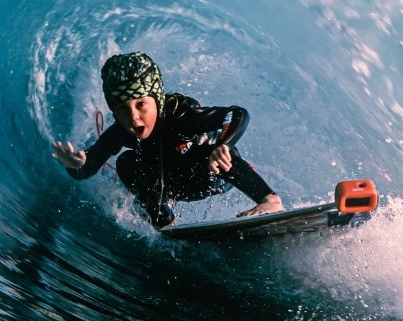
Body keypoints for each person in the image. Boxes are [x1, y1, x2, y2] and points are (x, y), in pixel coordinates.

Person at [51, 52, 283, 227]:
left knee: (209, 151)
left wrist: (223, 145)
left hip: (211, 174)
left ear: (157, 101)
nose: (133, 116)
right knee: (126, 162)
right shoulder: (122, 131)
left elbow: (238, 114)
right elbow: (88, 167)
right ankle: (164, 221)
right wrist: (77, 165)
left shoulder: (179, 114)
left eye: (141, 104)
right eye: (123, 109)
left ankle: (269, 199)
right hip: (174, 186)